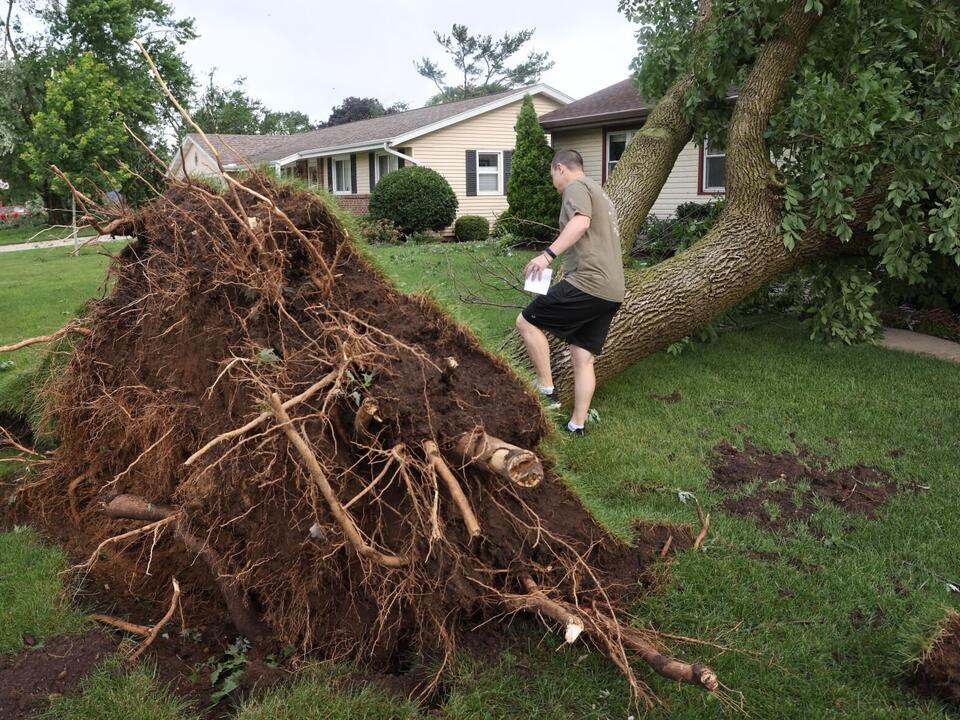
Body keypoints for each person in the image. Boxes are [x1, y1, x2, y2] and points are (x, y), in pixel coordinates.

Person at [515, 149, 625, 436]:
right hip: (612, 291)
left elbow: (580, 223)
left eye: (552, 175)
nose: (554, 181)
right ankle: (577, 425)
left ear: (560, 169)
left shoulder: (575, 187)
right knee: (582, 356)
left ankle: (547, 393)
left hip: (590, 283)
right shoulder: (599, 192)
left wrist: (546, 256)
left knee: (526, 321)